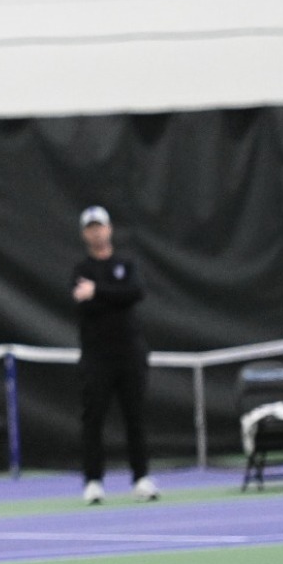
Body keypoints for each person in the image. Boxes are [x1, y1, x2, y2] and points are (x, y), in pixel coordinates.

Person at [72, 206, 158, 505]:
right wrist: (109, 295)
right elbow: (86, 307)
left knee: (135, 417)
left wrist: (97, 291)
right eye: (91, 228)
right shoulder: (81, 271)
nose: (97, 232)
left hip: (130, 355)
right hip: (97, 358)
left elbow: (134, 293)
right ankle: (94, 481)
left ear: (109, 230)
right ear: (85, 234)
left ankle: (141, 478)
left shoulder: (126, 264)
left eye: (101, 226)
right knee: (93, 419)